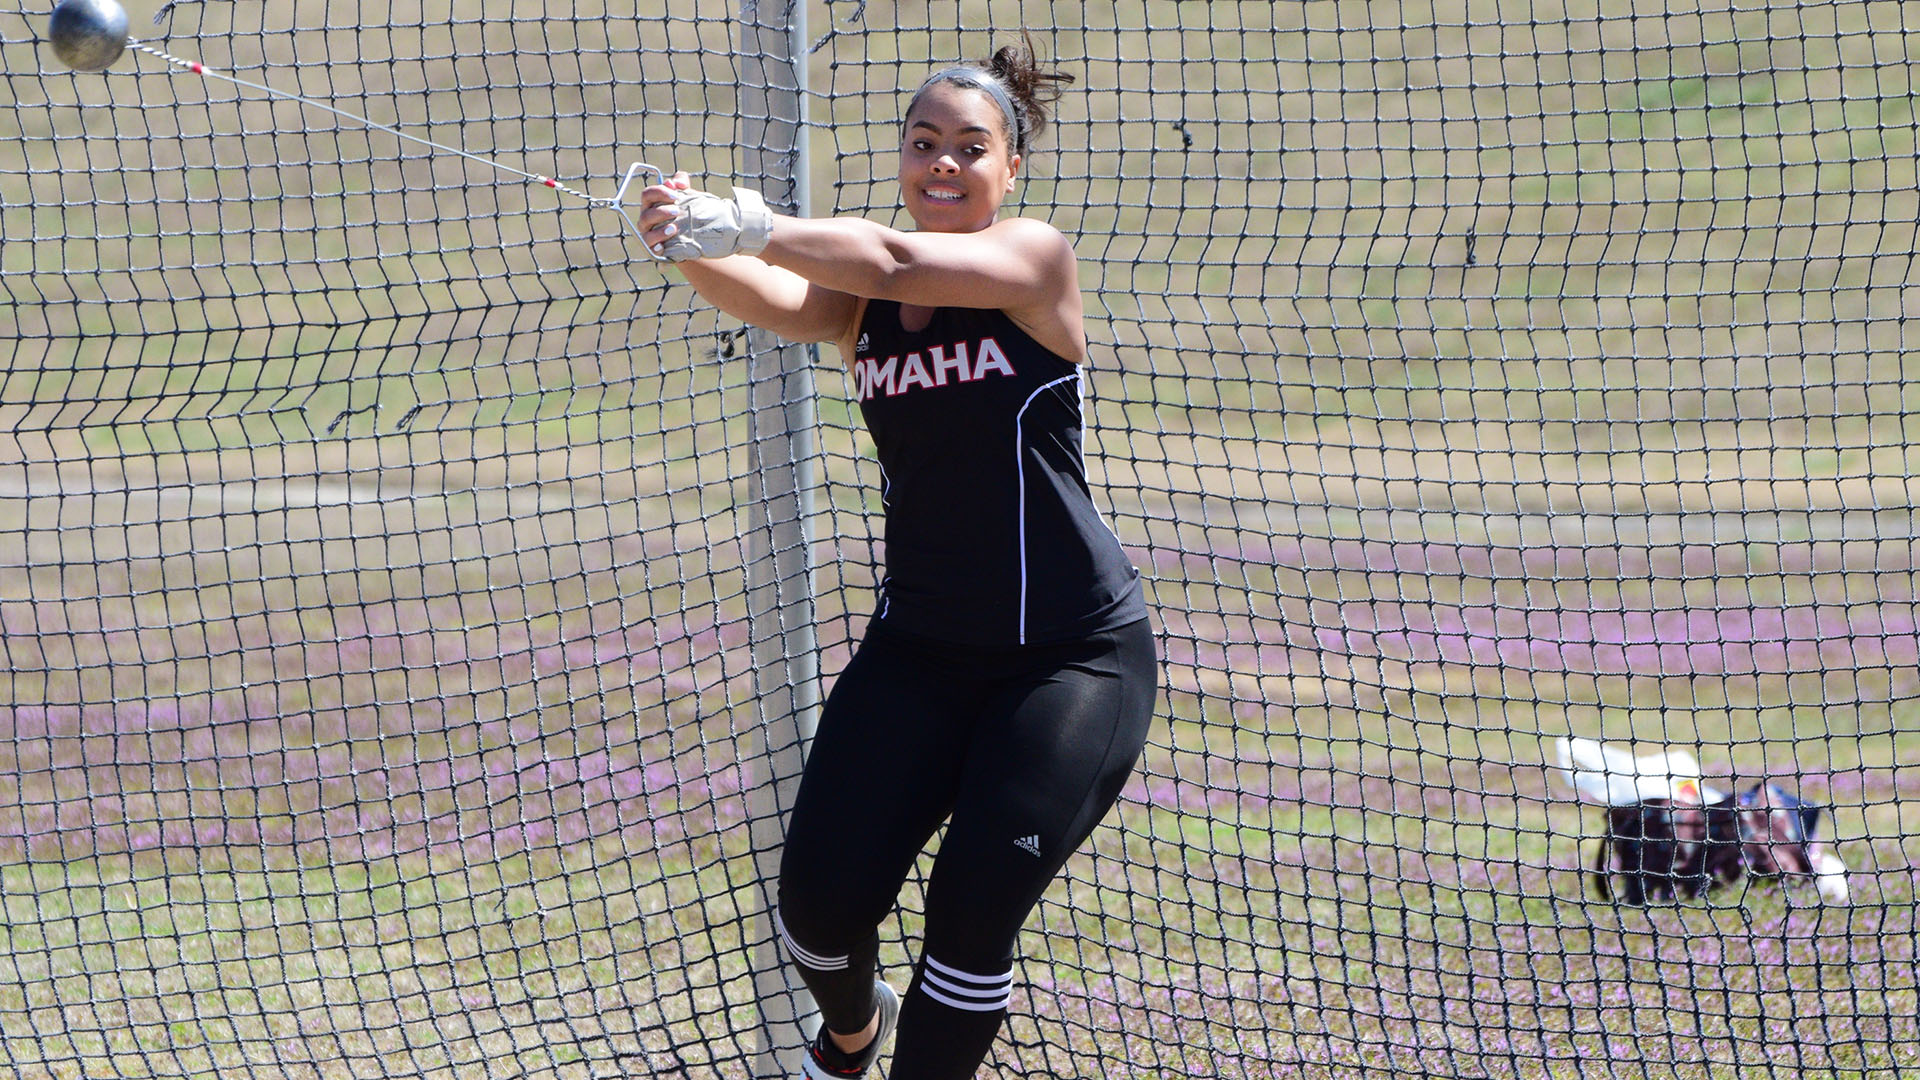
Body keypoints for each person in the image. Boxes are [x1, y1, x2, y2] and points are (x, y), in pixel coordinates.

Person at [637, 41, 1159, 1080]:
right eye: (925, 145)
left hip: (1069, 661)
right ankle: (851, 1031)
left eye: (972, 148)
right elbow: (782, 297)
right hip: (919, 651)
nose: (944, 165)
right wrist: (680, 232)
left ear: (1012, 169)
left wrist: (756, 221)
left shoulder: (1032, 262)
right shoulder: (864, 306)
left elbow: (893, 260)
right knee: (816, 920)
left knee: (967, 927)